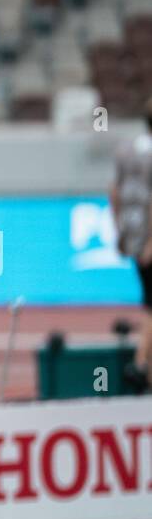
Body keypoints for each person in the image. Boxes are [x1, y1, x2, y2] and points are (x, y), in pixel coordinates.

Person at [110, 95, 152, 391]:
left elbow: (114, 190)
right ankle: (140, 364)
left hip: (135, 236)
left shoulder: (126, 150)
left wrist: (119, 231)